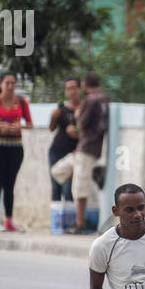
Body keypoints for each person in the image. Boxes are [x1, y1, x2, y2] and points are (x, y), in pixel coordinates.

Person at [52, 72, 110, 235]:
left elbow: (82, 124)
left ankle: (79, 223)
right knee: (58, 171)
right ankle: (89, 175)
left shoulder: (90, 100)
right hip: (91, 148)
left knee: (80, 188)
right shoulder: (106, 99)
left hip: (86, 148)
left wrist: (77, 117)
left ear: (84, 85)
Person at [0, 71, 33, 232]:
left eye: (13, 83)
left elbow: (30, 124)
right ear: (0, 84)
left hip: (15, 147)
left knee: (10, 184)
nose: (10, 87)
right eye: (7, 83)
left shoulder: (22, 102)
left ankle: (9, 220)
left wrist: (20, 126)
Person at [48, 76, 83, 202]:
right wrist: (53, 117)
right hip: (57, 151)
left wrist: (77, 132)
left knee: (69, 190)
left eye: (74, 88)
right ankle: (56, 220)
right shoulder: (61, 109)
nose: (72, 92)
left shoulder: (84, 109)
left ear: (79, 89)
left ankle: (70, 219)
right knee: (55, 188)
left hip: (74, 153)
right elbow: (51, 128)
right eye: (68, 89)